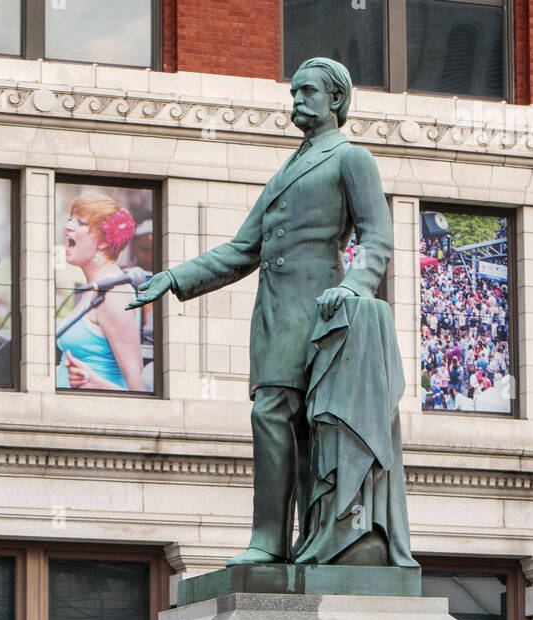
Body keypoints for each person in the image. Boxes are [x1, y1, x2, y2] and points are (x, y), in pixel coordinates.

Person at [128, 57, 408, 566]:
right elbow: (242, 249)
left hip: (323, 310)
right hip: (276, 315)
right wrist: (174, 278)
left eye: (308, 92)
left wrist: (353, 286)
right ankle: (276, 542)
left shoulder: (352, 158)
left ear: (337, 100)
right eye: (294, 92)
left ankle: (291, 539)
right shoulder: (288, 168)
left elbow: (377, 237)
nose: (297, 101)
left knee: (294, 421)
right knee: (278, 416)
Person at [56, 194, 146, 392]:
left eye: (80, 221)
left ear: (104, 241)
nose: (68, 226)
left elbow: (137, 388)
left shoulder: (113, 293)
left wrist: (94, 383)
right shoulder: (95, 288)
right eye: (70, 218)